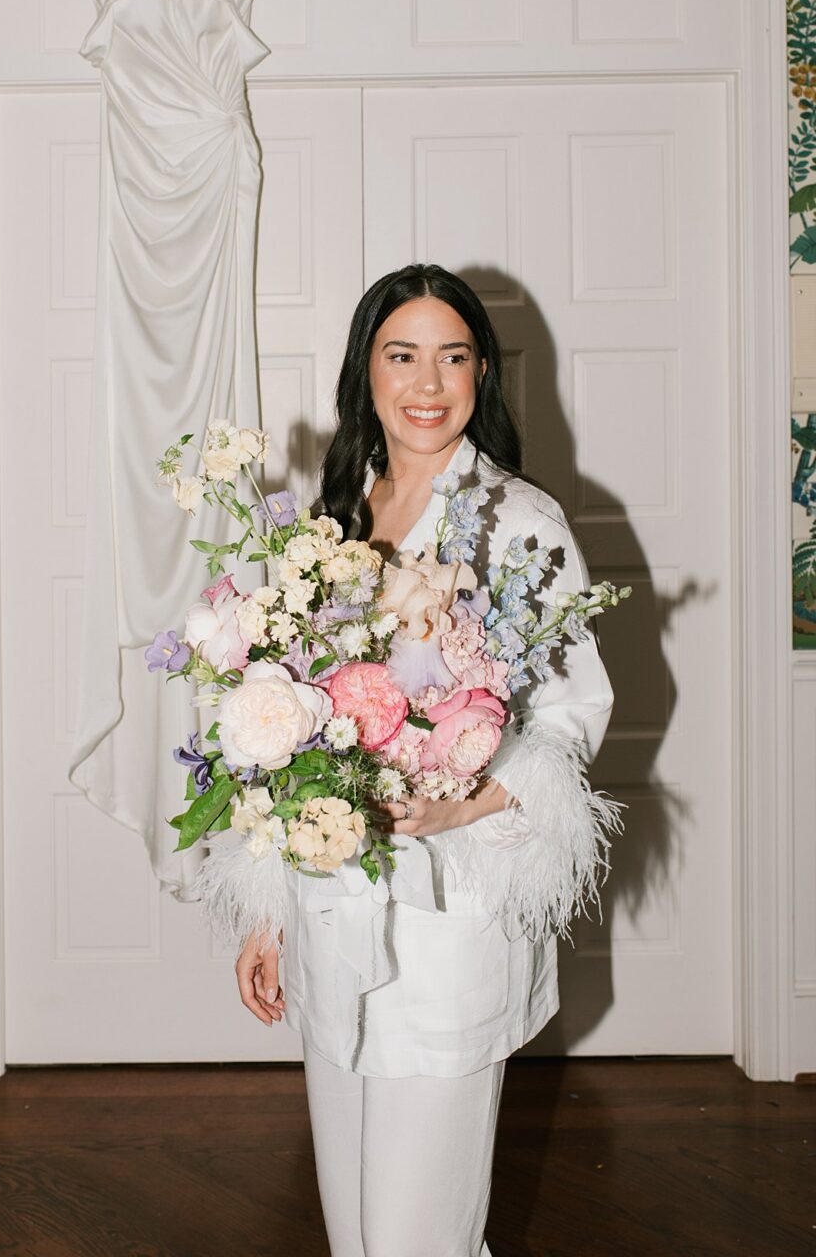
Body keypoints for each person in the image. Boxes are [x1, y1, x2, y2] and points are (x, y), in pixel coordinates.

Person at [227, 262, 617, 1257]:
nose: (427, 382)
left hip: (444, 924)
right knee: (354, 1226)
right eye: (402, 355)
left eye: (452, 357)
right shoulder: (334, 518)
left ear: (481, 375)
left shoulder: (518, 526)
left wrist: (463, 803)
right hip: (331, 915)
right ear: (366, 373)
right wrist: (267, 913)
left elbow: (570, 717)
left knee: (420, 1237)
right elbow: (288, 720)